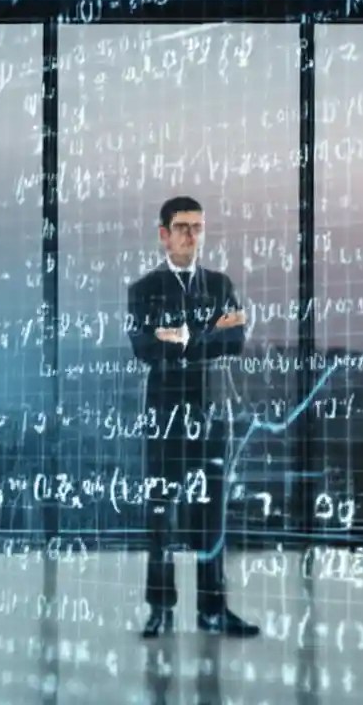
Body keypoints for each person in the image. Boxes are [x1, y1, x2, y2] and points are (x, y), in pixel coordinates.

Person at [126, 195, 260, 638]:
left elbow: (235, 341)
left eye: (197, 227)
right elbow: (145, 350)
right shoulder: (143, 290)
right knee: (161, 517)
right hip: (164, 418)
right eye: (182, 226)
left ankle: (213, 610)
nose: (190, 235)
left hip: (210, 415)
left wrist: (179, 336)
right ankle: (160, 608)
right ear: (163, 234)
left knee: (210, 518)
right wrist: (205, 334)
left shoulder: (220, 285)